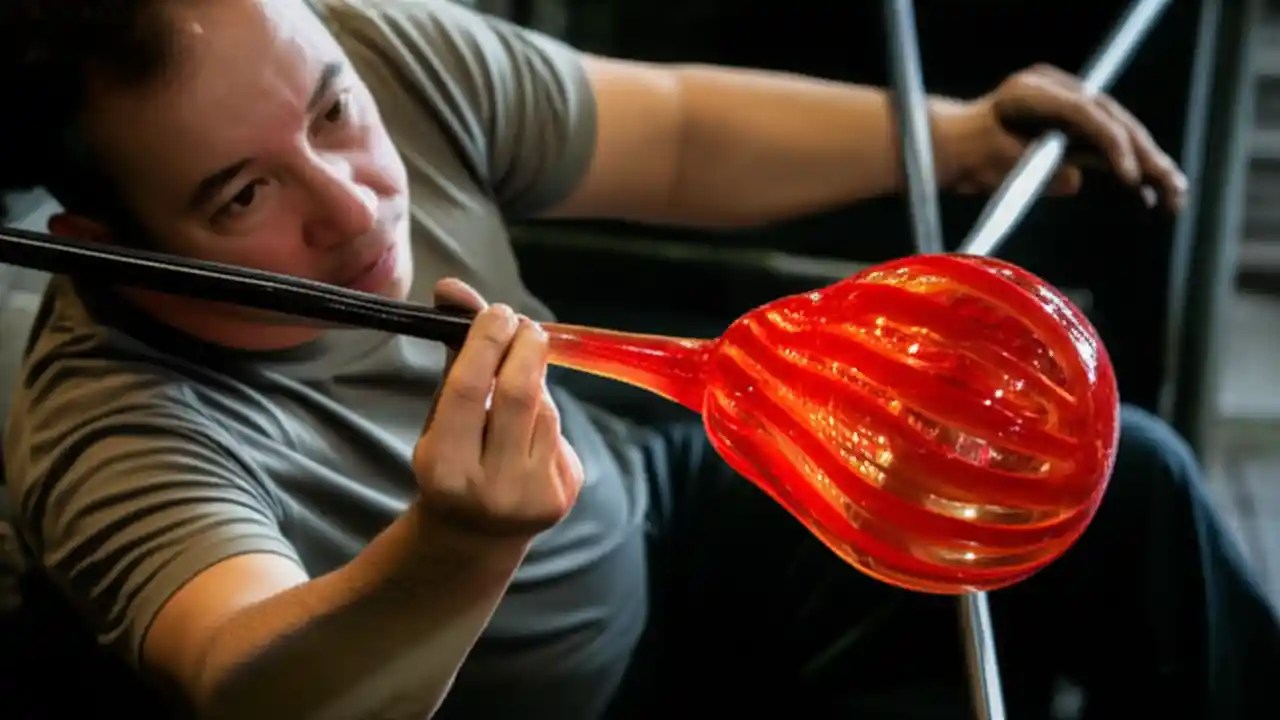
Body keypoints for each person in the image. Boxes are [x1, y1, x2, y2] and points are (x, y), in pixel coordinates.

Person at [0, 1, 1275, 718]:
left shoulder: (356, 47)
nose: (350, 205)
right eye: (240, 199)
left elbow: (666, 133)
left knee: (1132, 492)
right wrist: (448, 556)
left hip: (657, 516)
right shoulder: (112, 435)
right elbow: (253, 691)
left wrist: (953, 135)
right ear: (105, 247)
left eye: (334, 115)